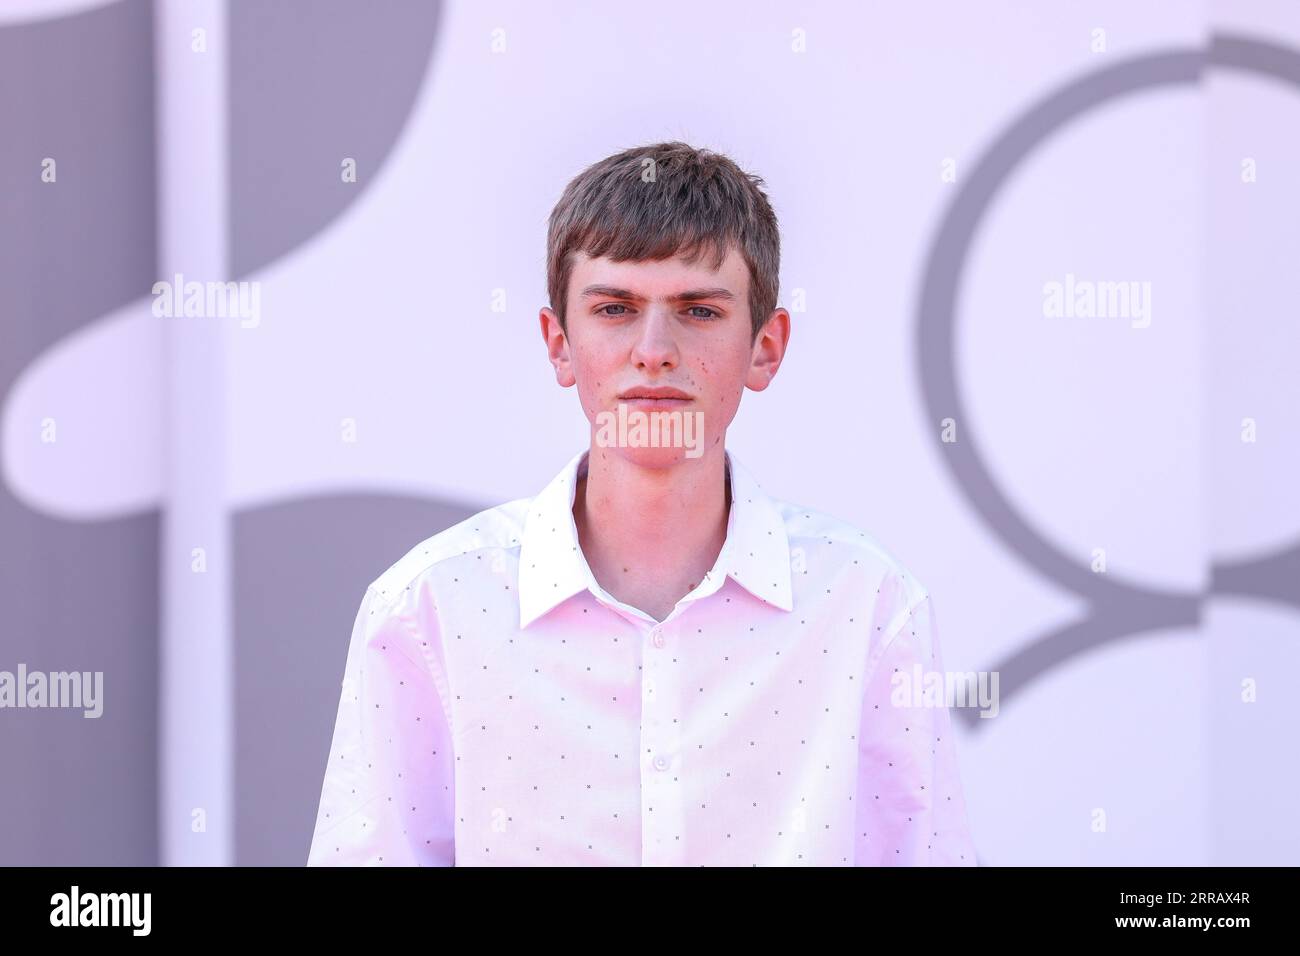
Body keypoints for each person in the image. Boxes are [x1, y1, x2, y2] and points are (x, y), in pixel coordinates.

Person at [307, 141, 978, 866]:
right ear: (559, 344)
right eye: (615, 309)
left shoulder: (866, 604)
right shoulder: (431, 607)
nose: (655, 350)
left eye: (699, 310)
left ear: (765, 347)